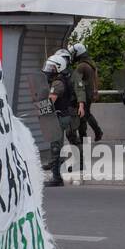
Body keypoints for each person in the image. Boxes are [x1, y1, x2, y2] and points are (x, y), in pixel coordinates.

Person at [42, 51, 78, 187]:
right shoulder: (62, 79)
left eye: (51, 68)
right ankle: (56, 175)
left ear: (59, 68)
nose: (48, 70)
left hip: (59, 117)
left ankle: (57, 178)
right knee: (57, 145)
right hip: (63, 115)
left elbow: (50, 101)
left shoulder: (57, 83)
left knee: (55, 147)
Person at [70, 42, 103, 143]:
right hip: (89, 93)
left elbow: (76, 81)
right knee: (86, 115)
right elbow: (95, 78)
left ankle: (89, 135)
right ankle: (96, 132)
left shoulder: (81, 66)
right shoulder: (90, 63)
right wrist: (95, 91)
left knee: (83, 116)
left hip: (83, 95)